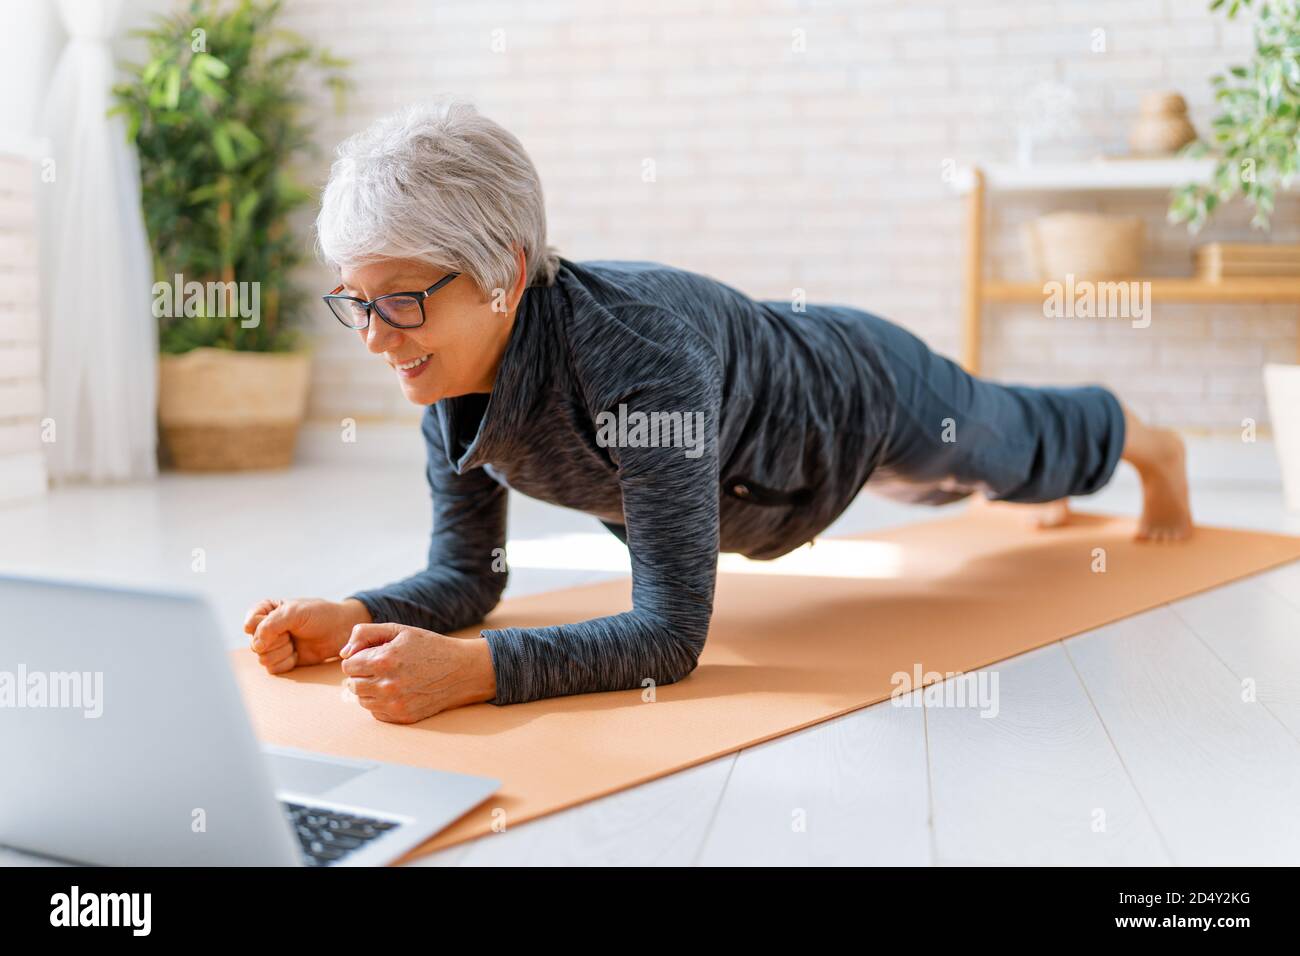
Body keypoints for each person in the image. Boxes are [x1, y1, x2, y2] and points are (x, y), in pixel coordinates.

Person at [245, 102, 1192, 723]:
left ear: (504, 278)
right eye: (355, 301)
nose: (375, 337)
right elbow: (466, 579)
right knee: (961, 488)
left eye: (401, 300)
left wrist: (474, 674)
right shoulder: (443, 376)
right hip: (756, 425)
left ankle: (1148, 442)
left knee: (1008, 452)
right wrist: (357, 613)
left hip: (860, 393)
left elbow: (668, 635)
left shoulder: (640, 365)